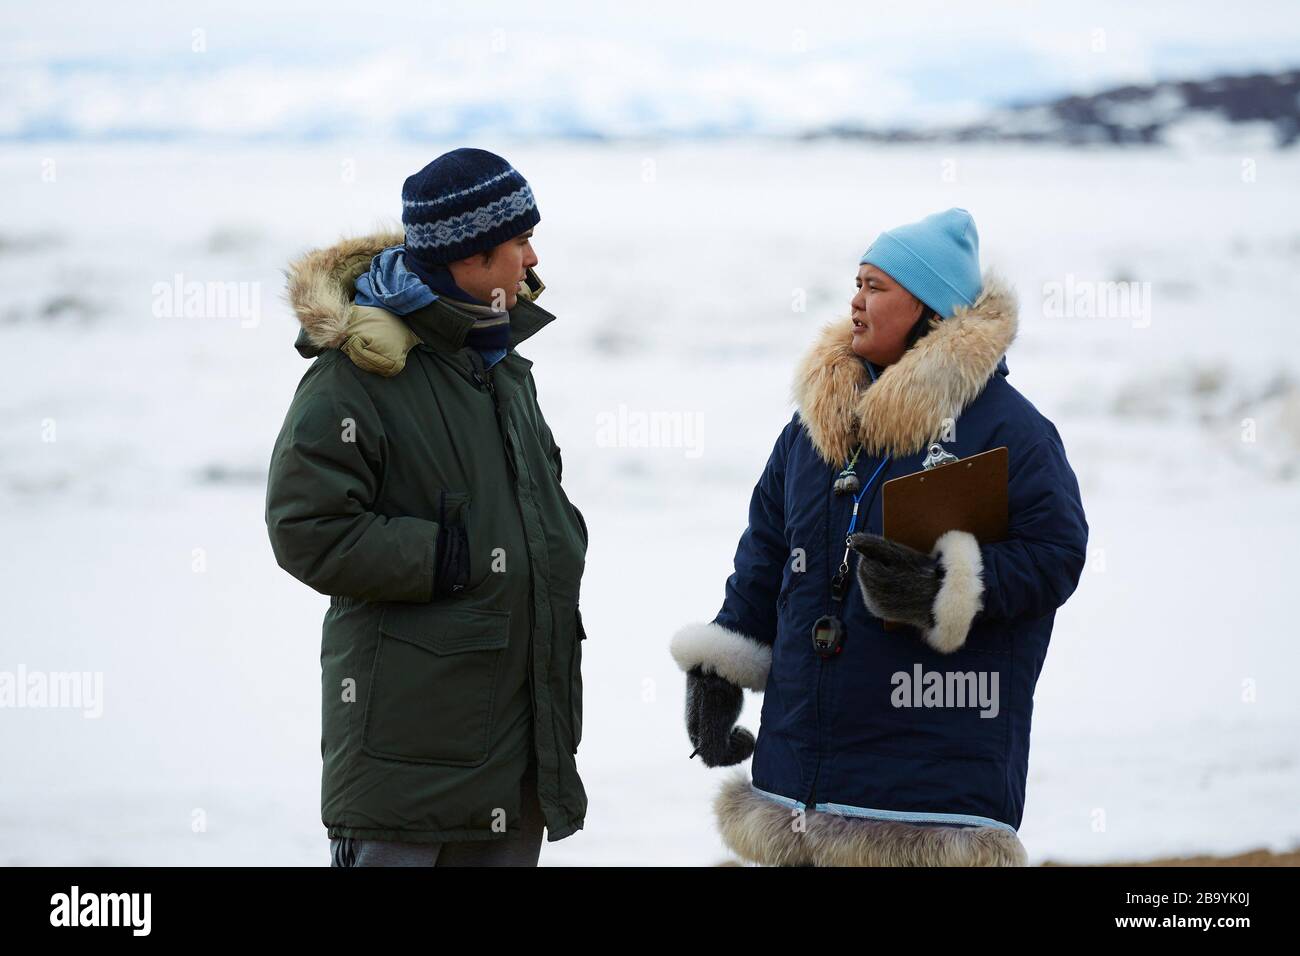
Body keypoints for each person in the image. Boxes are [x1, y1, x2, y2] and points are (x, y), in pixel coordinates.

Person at [670, 208, 1088, 866]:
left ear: (930, 309)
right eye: (856, 284)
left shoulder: (1010, 430)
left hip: (929, 795)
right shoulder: (813, 430)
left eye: (875, 286)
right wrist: (721, 668)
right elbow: (766, 557)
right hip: (797, 786)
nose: (856, 302)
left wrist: (946, 589)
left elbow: (1056, 556)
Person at [265, 148, 589, 867]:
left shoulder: (498, 362)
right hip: (407, 760)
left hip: (516, 745)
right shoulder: (356, 375)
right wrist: (441, 558)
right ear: (471, 260)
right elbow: (304, 527)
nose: (532, 257)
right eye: (518, 242)